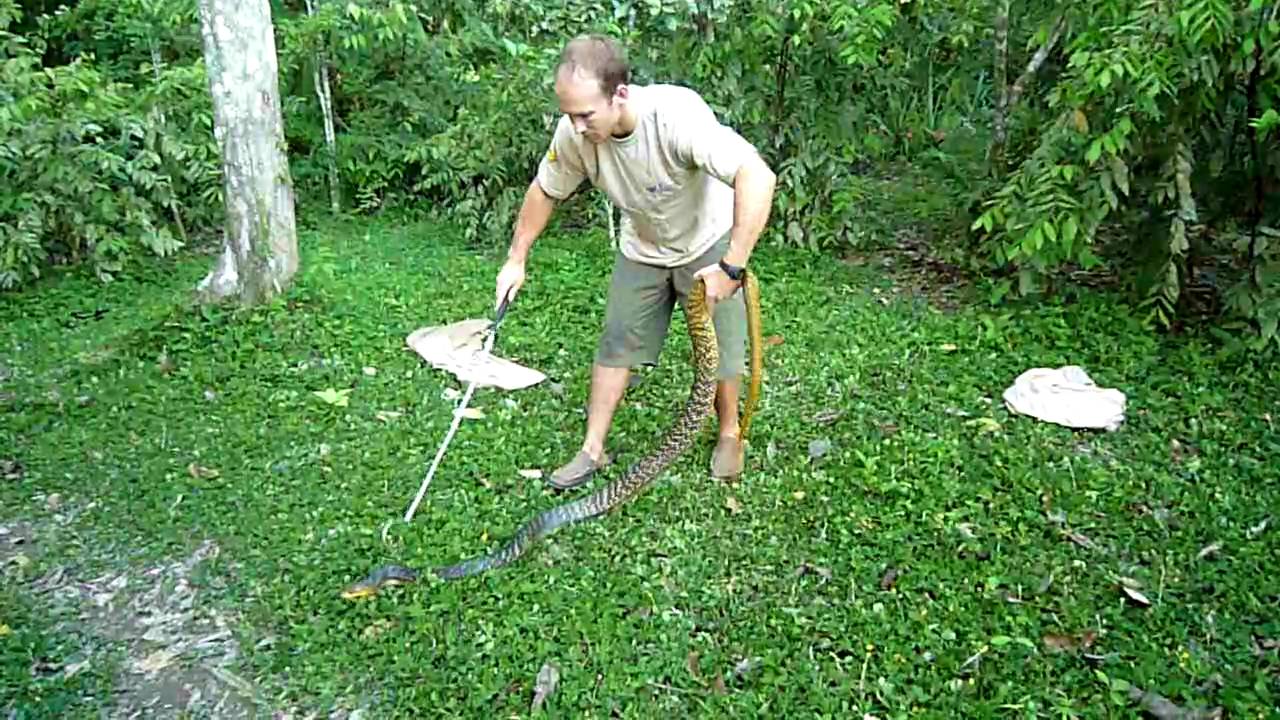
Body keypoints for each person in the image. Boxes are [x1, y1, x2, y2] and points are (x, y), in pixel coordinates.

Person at [494, 34, 776, 489]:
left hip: (706, 239)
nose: (578, 126)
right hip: (643, 245)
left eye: (586, 114)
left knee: (721, 347)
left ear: (620, 93)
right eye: (569, 115)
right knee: (617, 340)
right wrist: (516, 258)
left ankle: (728, 434)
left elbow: (756, 175)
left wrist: (732, 267)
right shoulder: (575, 134)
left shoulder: (676, 117)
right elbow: (545, 189)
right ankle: (592, 449)